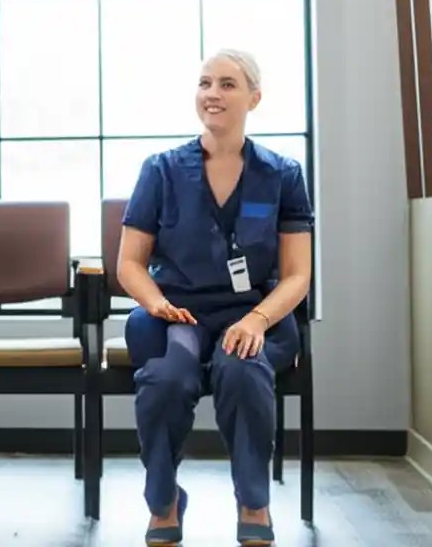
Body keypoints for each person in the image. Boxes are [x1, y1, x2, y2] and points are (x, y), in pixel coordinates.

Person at [117, 49, 312, 547]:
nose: (213, 94)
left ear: (255, 97)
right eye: (205, 83)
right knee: (165, 378)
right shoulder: (160, 170)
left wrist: (258, 320)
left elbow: (297, 275)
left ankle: (253, 500)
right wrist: (155, 302)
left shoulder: (283, 174)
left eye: (227, 84)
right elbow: (130, 263)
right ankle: (163, 502)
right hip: (175, 315)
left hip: (254, 314)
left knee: (242, 367)